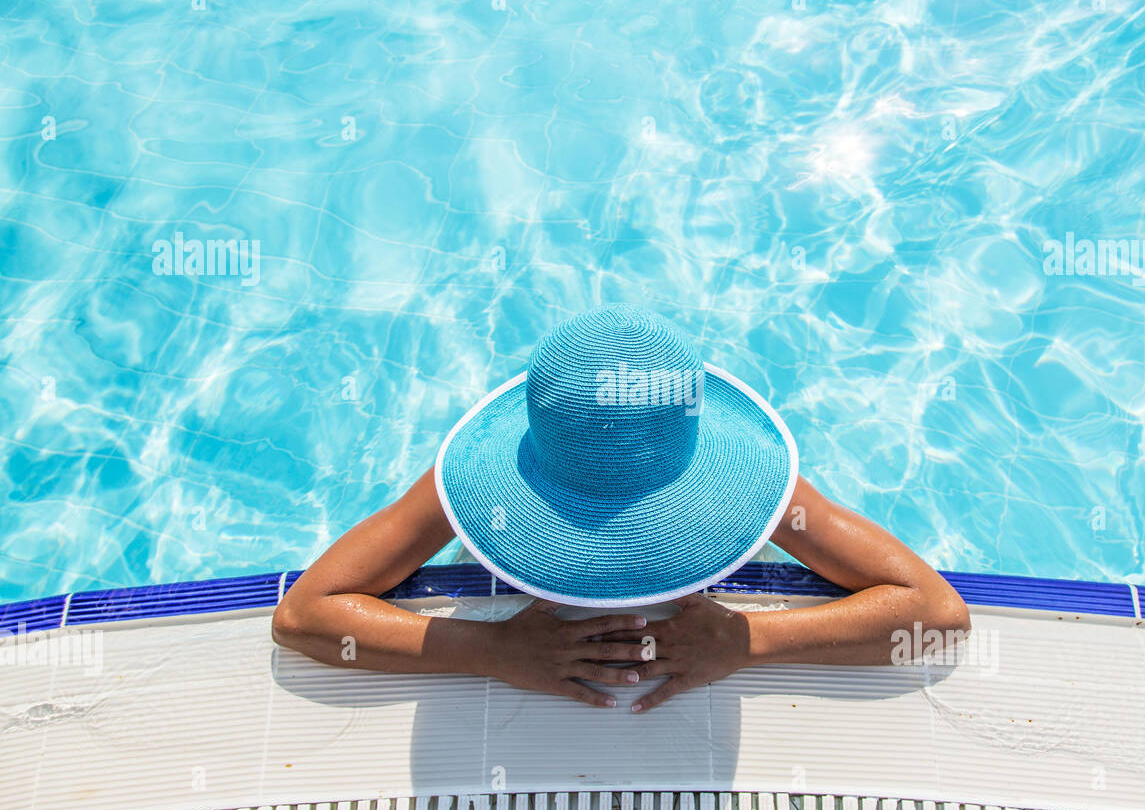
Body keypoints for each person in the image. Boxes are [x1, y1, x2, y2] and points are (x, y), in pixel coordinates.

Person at [272, 305, 969, 713]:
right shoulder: (469, 496)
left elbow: (935, 616)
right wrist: (490, 651)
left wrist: (750, 642)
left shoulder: (776, 500)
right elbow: (306, 615)